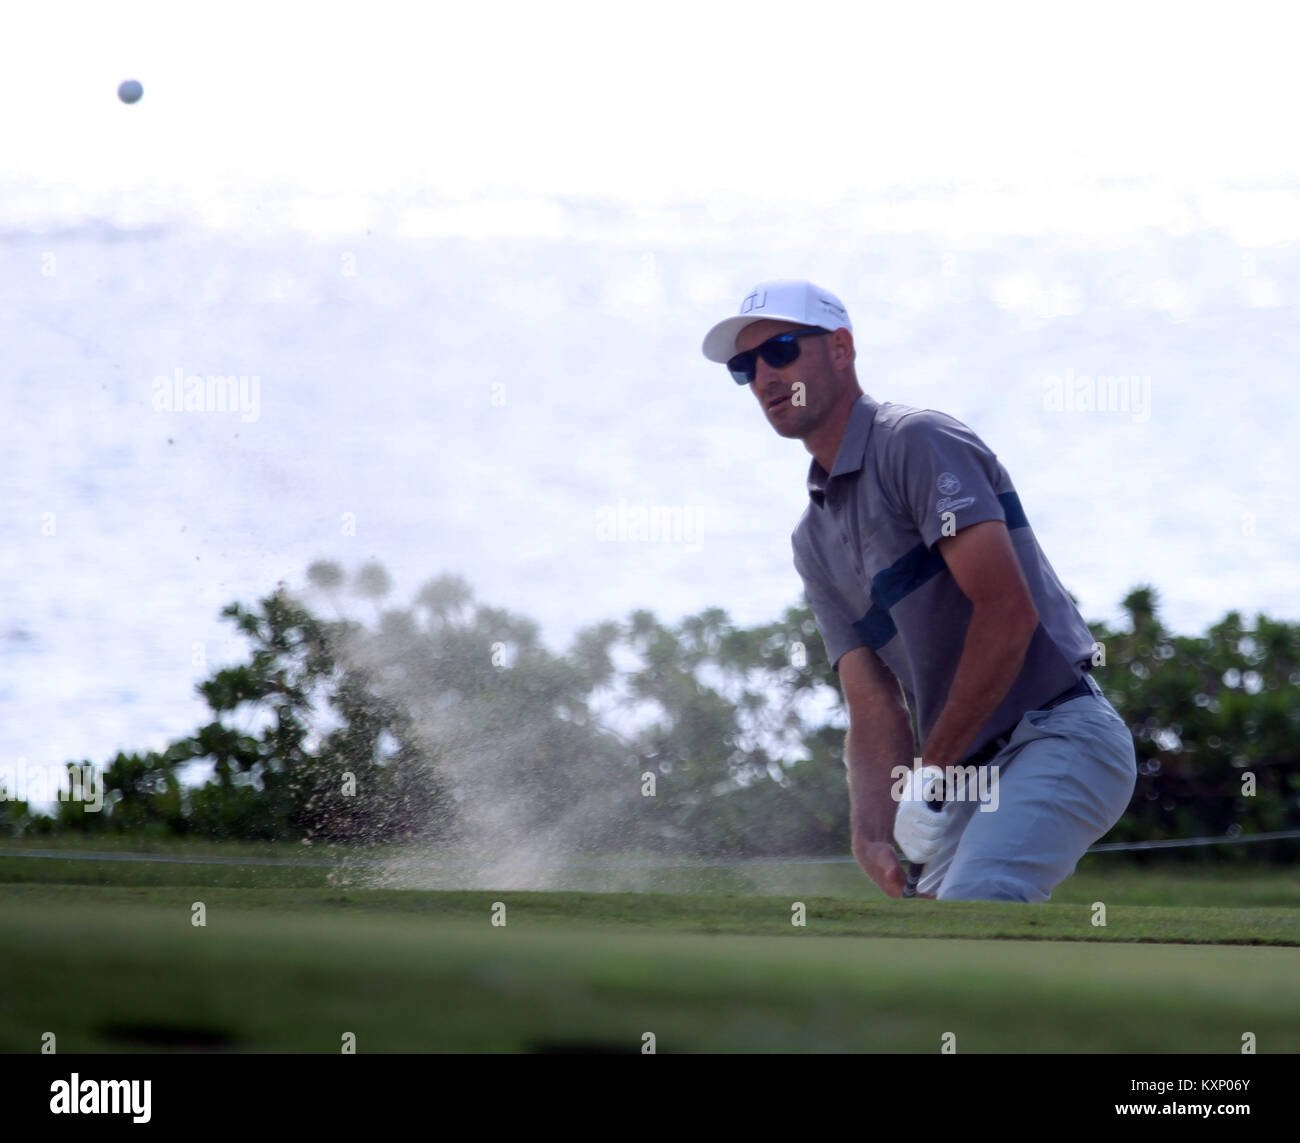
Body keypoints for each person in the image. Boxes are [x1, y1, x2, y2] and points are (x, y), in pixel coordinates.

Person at [701, 279, 1137, 901]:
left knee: (978, 902)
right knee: (930, 935)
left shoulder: (915, 441)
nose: (765, 375)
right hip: (961, 779)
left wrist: (929, 772)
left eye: (781, 350)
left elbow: (1006, 612)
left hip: (1057, 733)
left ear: (841, 349)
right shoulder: (811, 539)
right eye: (745, 367)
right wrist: (872, 834)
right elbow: (873, 704)